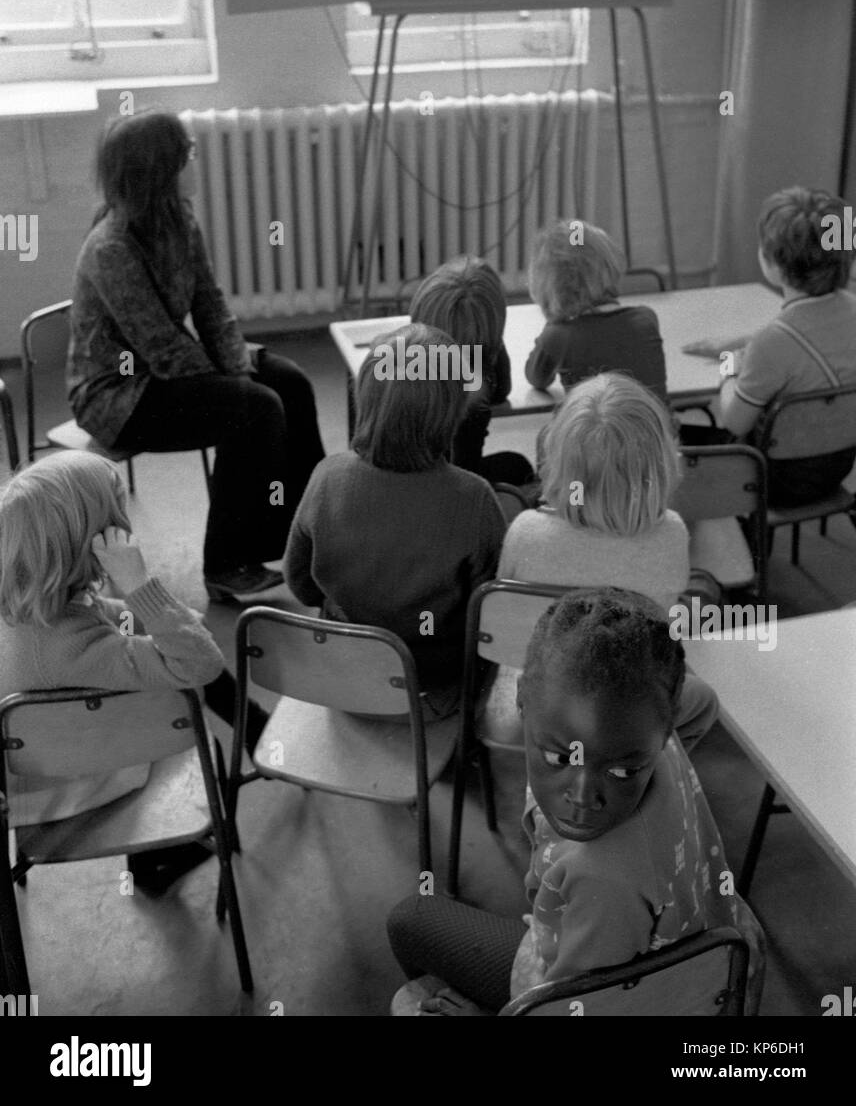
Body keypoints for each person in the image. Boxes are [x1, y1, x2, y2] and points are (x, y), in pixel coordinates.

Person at [387, 587, 765, 1015]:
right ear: (521, 703)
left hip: (620, 996)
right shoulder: (641, 733)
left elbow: (578, 1008)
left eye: (622, 771)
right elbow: (702, 702)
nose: (584, 798)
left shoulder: (602, 880)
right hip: (708, 961)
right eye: (560, 758)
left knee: (410, 918)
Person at [67, 109, 325, 601]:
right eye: (187, 153)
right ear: (159, 168)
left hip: (165, 371)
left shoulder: (178, 218)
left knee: (289, 381)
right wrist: (238, 377)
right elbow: (161, 347)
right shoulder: (111, 248)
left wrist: (237, 360)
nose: (195, 160)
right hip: (117, 394)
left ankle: (303, 535)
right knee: (255, 407)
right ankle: (227, 563)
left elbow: (211, 304)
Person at [0, 451, 268, 891]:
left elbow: (108, 615)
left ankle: (255, 728)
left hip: (34, 765)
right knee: (181, 709)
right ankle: (159, 858)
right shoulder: (75, 649)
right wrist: (142, 586)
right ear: (94, 540)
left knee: (171, 650)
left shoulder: (32, 607)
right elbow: (202, 662)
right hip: (68, 786)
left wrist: (152, 612)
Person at [283, 323, 506, 720]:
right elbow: (489, 620)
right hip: (433, 687)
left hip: (341, 675)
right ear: (453, 411)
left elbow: (300, 585)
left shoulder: (326, 477)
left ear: (364, 394)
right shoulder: (474, 500)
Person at [496, 372, 715, 754]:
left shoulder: (524, 532)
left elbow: (503, 617)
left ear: (556, 459)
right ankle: (648, 766)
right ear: (660, 465)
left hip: (541, 703)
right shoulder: (672, 535)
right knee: (704, 699)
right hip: (630, 705)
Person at [718, 187, 856, 508]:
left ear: (773, 265)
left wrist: (729, 367)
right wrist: (749, 342)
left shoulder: (772, 343)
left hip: (776, 481)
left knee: (695, 436)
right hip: (839, 467)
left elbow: (734, 422)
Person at [408, 256, 533, 487]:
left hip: (407, 480)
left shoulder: (407, 358)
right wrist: (492, 343)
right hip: (461, 482)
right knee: (519, 466)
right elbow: (502, 392)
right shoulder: (483, 369)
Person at [525, 219, 667, 401]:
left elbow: (536, 377)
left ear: (547, 284)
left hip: (594, 429)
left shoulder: (558, 337)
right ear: (610, 266)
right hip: (657, 429)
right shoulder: (645, 319)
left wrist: (553, 320)